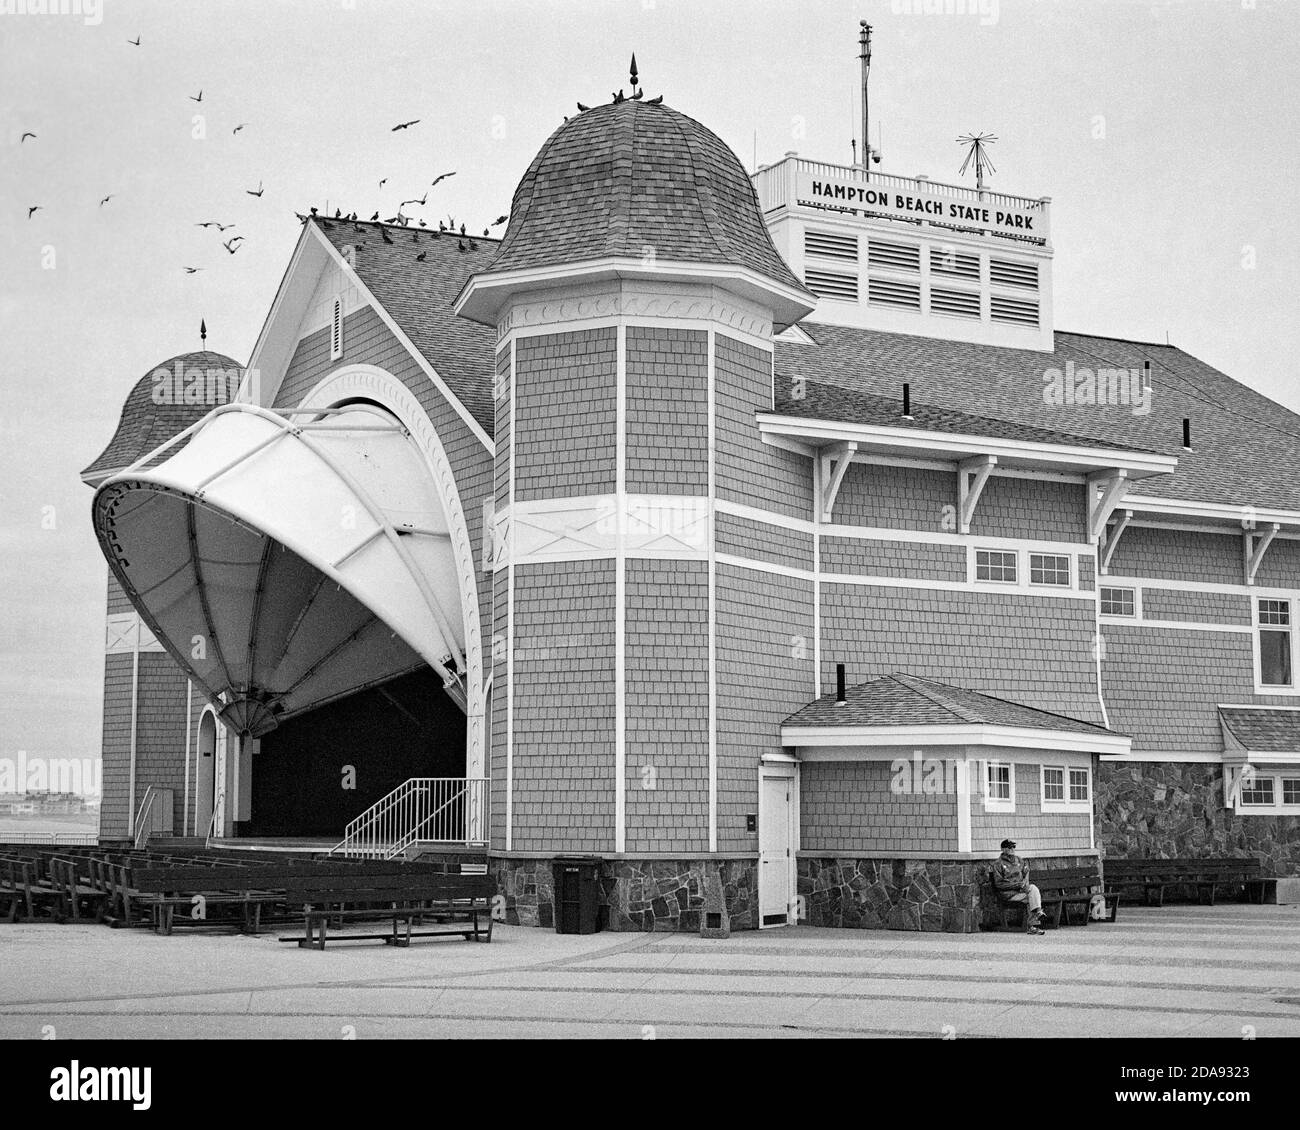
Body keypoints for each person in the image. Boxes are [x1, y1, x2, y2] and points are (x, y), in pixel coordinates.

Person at [991, 838, 1045, 934]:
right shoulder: (998, 864)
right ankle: (1034, 922)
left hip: (1021, 892)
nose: (1012, 849)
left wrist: (1025, 883)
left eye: (1013, 847)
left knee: (1033, 888)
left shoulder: (1019, 860)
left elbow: (1026, 871)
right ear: (1003, 849)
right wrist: (1018, 885)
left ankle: (1036, 915)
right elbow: (999, 884)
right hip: (1008, 894)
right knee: (1032, 898)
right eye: (1009, 847)